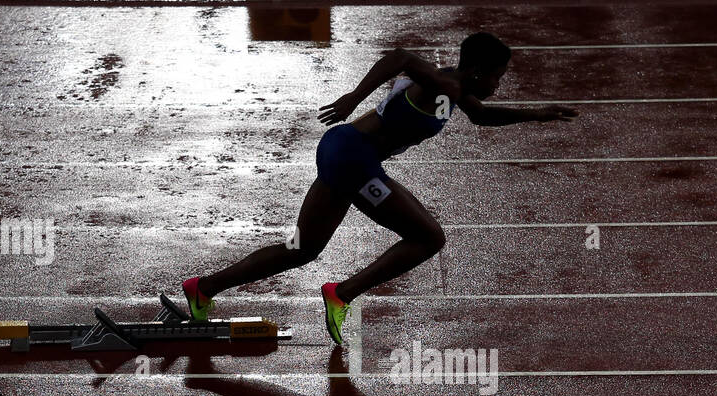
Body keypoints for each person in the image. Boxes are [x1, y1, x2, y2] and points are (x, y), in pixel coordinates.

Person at [180, 31, 577, 344]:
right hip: (353, 158)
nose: (498, 84)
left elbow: (484, 117)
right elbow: (400, 57)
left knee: (302, 249)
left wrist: (539, 115)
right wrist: (353, 97)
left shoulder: (457, 92)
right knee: (429, 236)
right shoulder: (443, 83)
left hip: (343, 152)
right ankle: (342, 294)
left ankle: (203, 288)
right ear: (476, 70)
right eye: (497, 76)